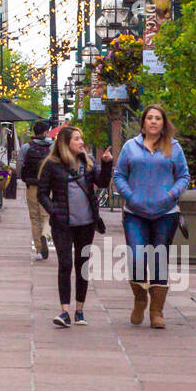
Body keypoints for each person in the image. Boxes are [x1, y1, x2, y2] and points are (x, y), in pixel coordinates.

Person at [113, 104, 190, 329]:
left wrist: (172, 194)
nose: (154, 122)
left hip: (165, 213)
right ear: (143, 123)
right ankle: (140, 299)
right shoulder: (130, 147)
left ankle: (157, 311)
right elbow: (119, 175)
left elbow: (184, 176)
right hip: (134, 213)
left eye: (158, 118)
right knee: (137, 256)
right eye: (150, 118)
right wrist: (129, 195)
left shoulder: (173, 148)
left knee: (159, 259)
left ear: (164, 123)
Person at [37, 125, 114, 328]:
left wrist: (107, 164)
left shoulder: (88, 163)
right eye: (77, 139)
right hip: (63, 224)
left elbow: (103, 183)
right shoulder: (52, 165)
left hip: (86, 223)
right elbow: (42, 193)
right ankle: (65, 312)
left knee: (82, 265)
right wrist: (55, 211)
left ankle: (79, 310)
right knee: (65, 264)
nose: (81, 142)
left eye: (81, 139)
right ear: (66, 143)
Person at [17, 120, 54, 260]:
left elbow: (20, 165)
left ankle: (39, 248)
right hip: (47, 186)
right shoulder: (53, 146)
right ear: (46, 132)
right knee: (46, 215)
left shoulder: (26, 147)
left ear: (34, 132)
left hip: (32, 186)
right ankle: (45, 234)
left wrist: (22, 177)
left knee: (34, 217)